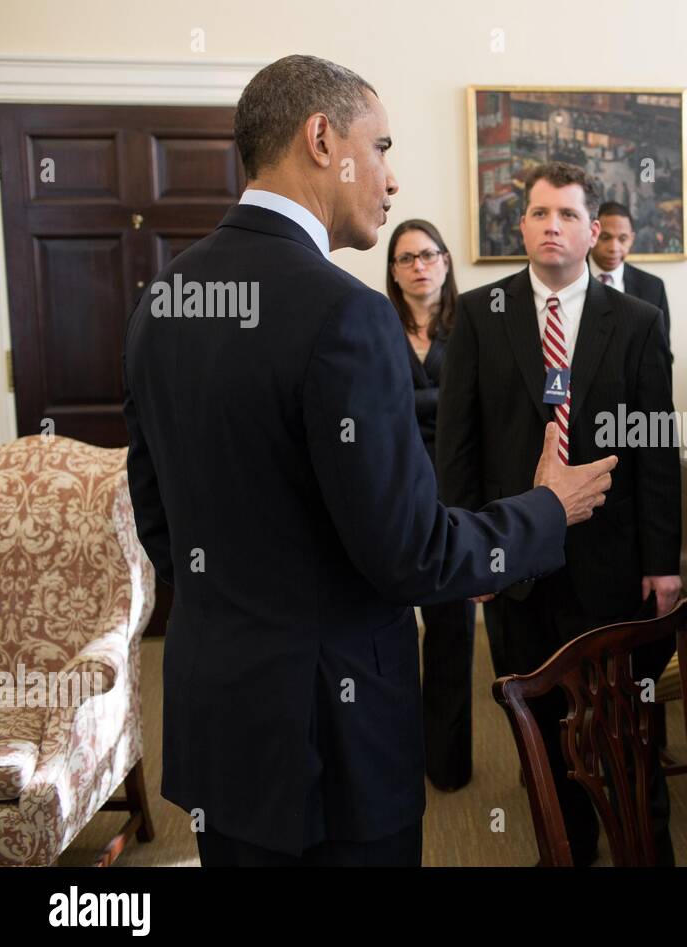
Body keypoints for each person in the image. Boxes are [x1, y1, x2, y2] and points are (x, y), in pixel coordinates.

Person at [122, 55, 616, 866]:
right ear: (323, 139)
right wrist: (547, 508)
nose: (391, 180)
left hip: (220, 723)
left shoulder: (160, 300)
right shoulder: (346, 314)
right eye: (381, 146)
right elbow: (411, 556)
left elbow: (161, 531)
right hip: (331, 745)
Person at [438, 162, 680, 866]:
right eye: (540, 213)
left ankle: (646, 853)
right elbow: (458, 447)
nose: (553, 226)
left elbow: (656, 447)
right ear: (522, 226)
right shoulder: (481, 315)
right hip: (516, 566)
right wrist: (469, 553)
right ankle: (565, 852)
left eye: (568, 215)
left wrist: (662, 561)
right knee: (541, 738)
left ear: (593, 230)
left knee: (627, 733)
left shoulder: (635, 320)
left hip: (612, 568)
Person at [384, 218, 475, 793]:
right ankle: (394, 761)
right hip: (394, 493)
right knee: (389, 636)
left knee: (451, 634)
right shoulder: (377, 326)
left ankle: (447, 764)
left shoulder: (474, 327)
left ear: (445, 261)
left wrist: (416, 402)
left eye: (428, 255)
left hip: (458, 496)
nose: (419, 266)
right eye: (406, 258)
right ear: (393, 273)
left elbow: (484, 410)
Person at [590, 200, 672, 351]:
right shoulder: (567, 279)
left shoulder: (653, 288)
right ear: (592, 235)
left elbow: (662, 353)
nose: (614, 248)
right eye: (605, 237)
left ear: (632, 239)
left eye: (622, 239)